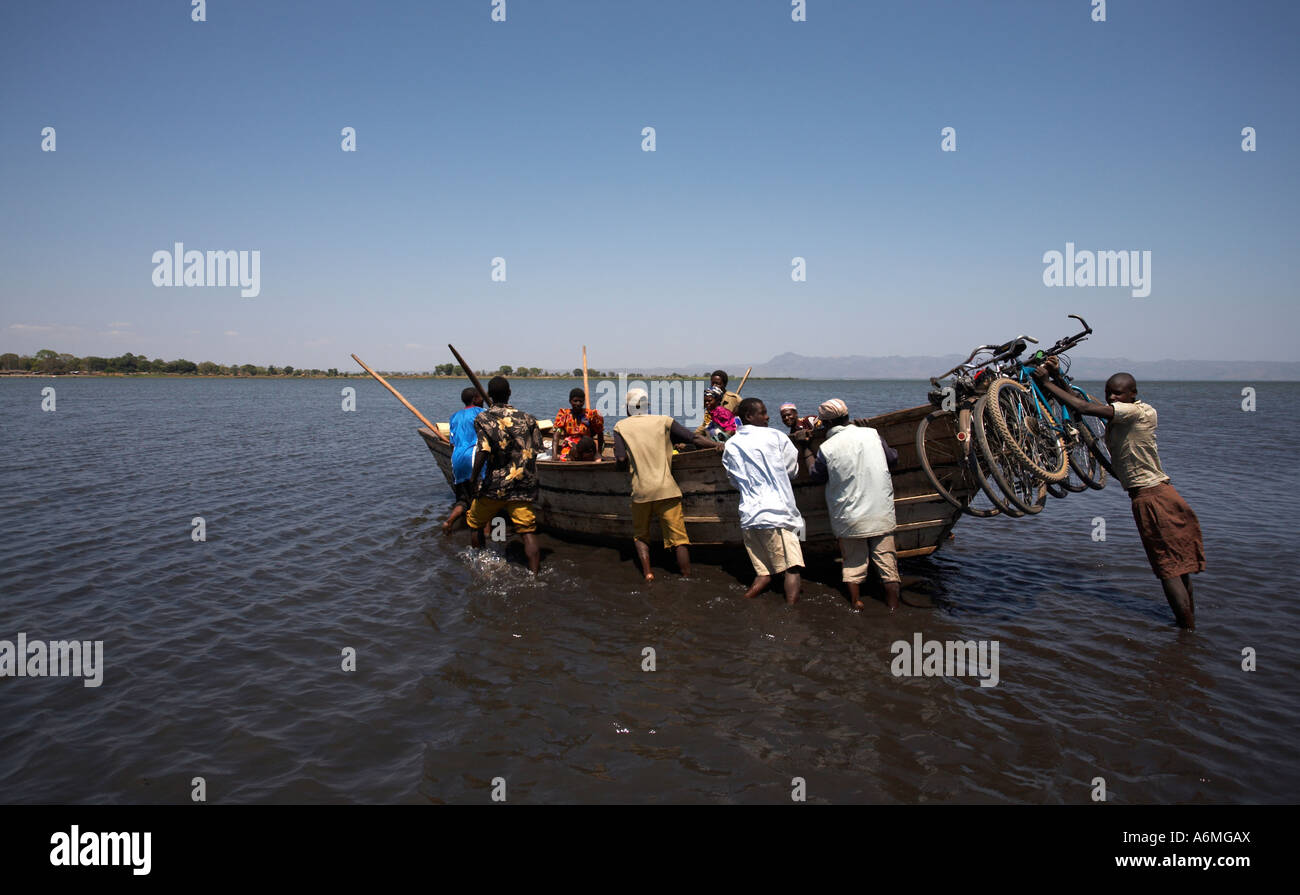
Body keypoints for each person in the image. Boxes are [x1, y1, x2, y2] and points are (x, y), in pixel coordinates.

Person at [1034, 359, 1203, 629]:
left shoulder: (1136, 413)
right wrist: (1056, 378)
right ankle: (1189, 625)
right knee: (1177, 566)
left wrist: (1044, 383)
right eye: (1108, 392)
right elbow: (1082, 405)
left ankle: (1185, 632)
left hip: (1152, 499)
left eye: (1118, 393)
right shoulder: (1128, 412)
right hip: (1160, 495)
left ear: (1132, 394)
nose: (1112, 397)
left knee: (1167, 570)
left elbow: (1083, 407)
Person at [613, 387, 721, 581]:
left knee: (640, 536)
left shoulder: (620, 427)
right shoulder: (664, 421)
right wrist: (718, 445)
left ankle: (648, 573)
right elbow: (694, 438)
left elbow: (620, 459)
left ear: (628, 408)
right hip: (667, 490)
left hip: (641, 491)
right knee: (679, 539)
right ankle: (686, 575)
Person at [807, 398, 901, 611]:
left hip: (849, 516)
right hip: (880, 512)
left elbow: (816, 475)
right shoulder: (872, 434)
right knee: (887, 564)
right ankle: (893, 606)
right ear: (847, 416)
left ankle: (856, 603)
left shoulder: (827, 447)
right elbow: (893, 459)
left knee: (853, 563)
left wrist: (806, 451)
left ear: (827, 424)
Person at [721, 398, 805, 604]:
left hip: (749, 517)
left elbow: (733, 480)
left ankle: (744, 602)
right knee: (792, 568)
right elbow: (792, 471)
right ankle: (792, 613)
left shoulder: (731, 444)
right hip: (778, 514)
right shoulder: (776, 436)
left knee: (764, 573)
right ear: (750, 416)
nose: (768, 417)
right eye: (764, 412)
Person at [465, 376, 543, 574]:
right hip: (522, 485)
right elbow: (537, 449)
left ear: (489, 395)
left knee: (475, 523)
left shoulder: (483, 418)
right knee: (527, 531)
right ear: (509, 393)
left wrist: (473, 479)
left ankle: (479, 564)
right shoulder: (528, 418)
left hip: (495, 486)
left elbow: (483, 450)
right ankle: (534, 575)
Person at [442, 387, 485, 534]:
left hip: (457, 459)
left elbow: (452, 442)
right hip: (474, 457)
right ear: (475, 399)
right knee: (484, 498)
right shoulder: (481, 413)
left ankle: (449, 522)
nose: (483, 399)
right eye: (480, 397)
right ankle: (487, 533)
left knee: (463, 498)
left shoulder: (454, 416)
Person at [552, 387, 604, 460]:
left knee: (588, 449)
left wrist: (599, 453)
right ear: (570, 401)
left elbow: (600, 432)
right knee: (567, 457)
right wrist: (554, 455)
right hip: (570, 446)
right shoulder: (564, 415)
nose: (578, 404)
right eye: (575, 401)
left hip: (587, 446)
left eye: (581, 401)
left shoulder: (590, 414)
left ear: (584, 401)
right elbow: (557, 434)